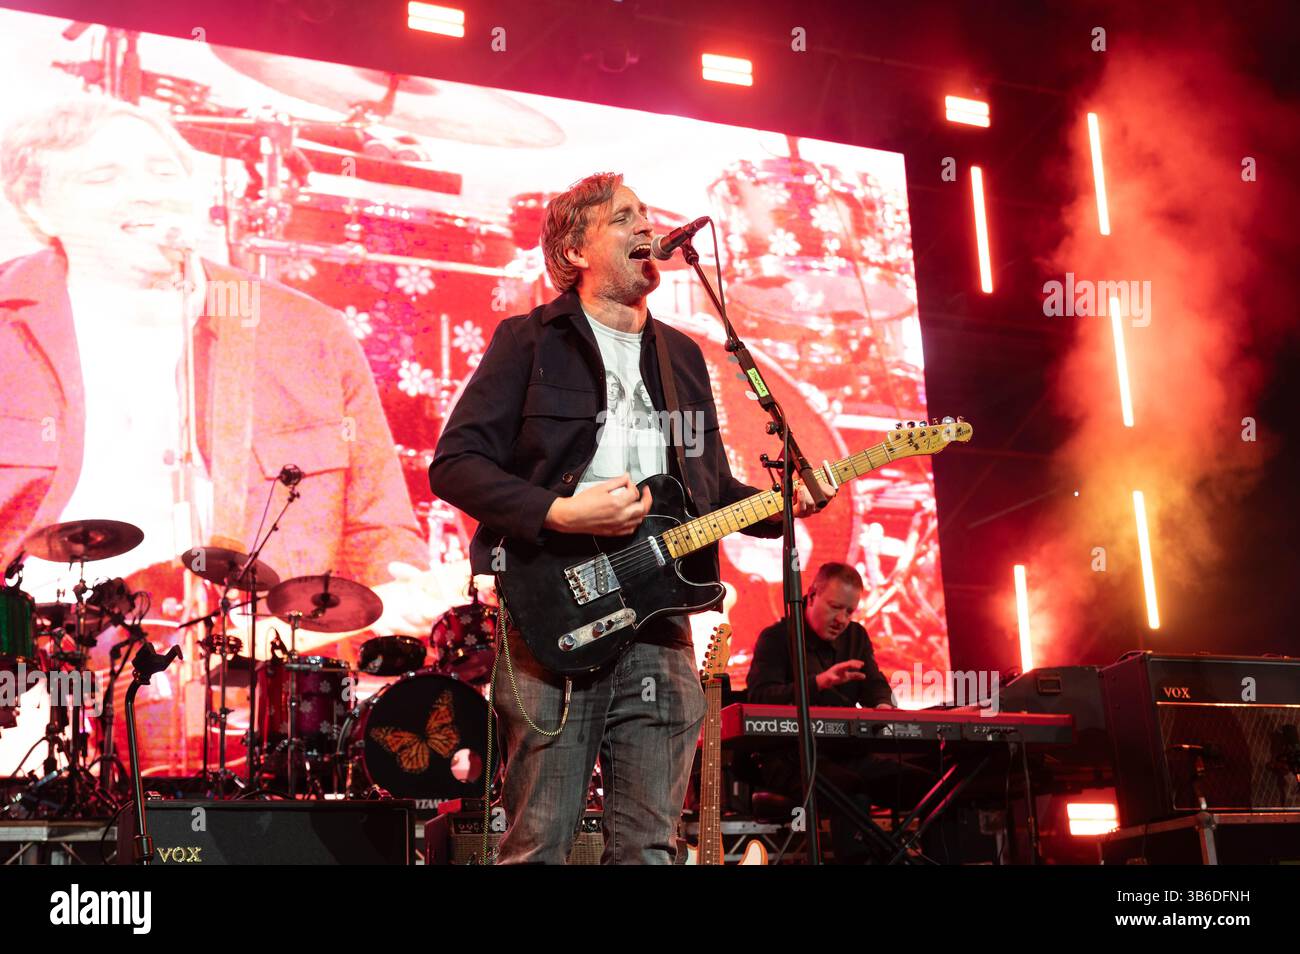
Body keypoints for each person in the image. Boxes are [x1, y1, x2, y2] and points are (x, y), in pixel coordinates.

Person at [429, 171, 836, 863]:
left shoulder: (683, 357)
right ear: (577, 250)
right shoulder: (530, 339)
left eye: (646, 213)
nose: (647, 226)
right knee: (538, 843)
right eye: (625, 217)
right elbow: (456, 463)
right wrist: (558, 510)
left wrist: (781, 505)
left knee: (649, 848)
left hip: (662, 625)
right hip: (553, 615)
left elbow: (704, 494)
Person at [0, 97, 436, 654]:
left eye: (164, 172)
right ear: (37, 207)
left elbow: (378, 532)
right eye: (101, 176)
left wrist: (393, 630)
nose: (148, 191)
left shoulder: (308, 332)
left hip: (248, 684)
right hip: (36, 682)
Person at [746, 561, 941, 863]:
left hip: (847, 754)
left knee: (931, 786)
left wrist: (883, 705)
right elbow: (759, 697)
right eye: (835, 607)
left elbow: (874, 683)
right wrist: (820, 682)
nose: (842, 619)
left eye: (850, 611)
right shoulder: (776, 638)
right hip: (790, 759)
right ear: (810, 596)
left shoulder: (856, 638)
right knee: (851, 788)